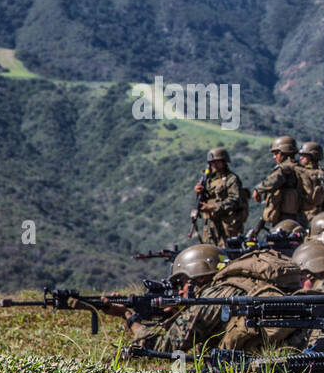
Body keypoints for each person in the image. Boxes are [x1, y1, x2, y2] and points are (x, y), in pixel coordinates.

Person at [106, 244, 298, 354]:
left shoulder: (212, 298)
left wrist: (129, 318)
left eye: (181, 283)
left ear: (197, 278)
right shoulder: (243, 285)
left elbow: (162, 348)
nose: (179, 291)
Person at [194, 147, 248, 245]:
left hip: (228, 223)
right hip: (212, 223)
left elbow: (234, 200)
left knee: (228, 250)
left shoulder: (231, 179)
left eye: (217, 162)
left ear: (224, 162)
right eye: (212, 163)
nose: (214, 165)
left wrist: (212, 207)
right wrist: (199, 192)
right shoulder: (209, 180)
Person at [251, 136, 304, 229]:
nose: (274, 157)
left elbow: (272, 182)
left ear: (283, 153)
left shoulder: (284, 169)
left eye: (276, 153)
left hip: (284, 215)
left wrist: (257, 189)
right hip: (300, 215)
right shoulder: (300, 167)